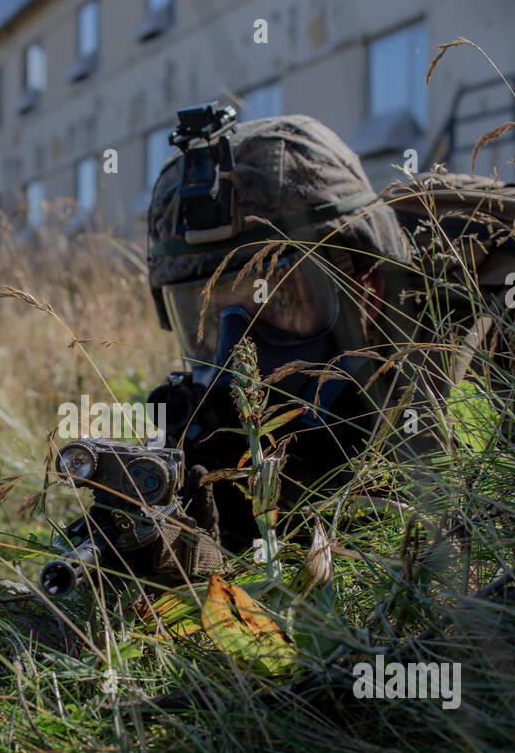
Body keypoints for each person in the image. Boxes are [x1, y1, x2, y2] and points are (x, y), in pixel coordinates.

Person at [144, 105, 414, 553]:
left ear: (366, 291)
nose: (237, 351)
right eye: (208, 315)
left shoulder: (443, 412)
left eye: (280, 299)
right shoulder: (192, 445)